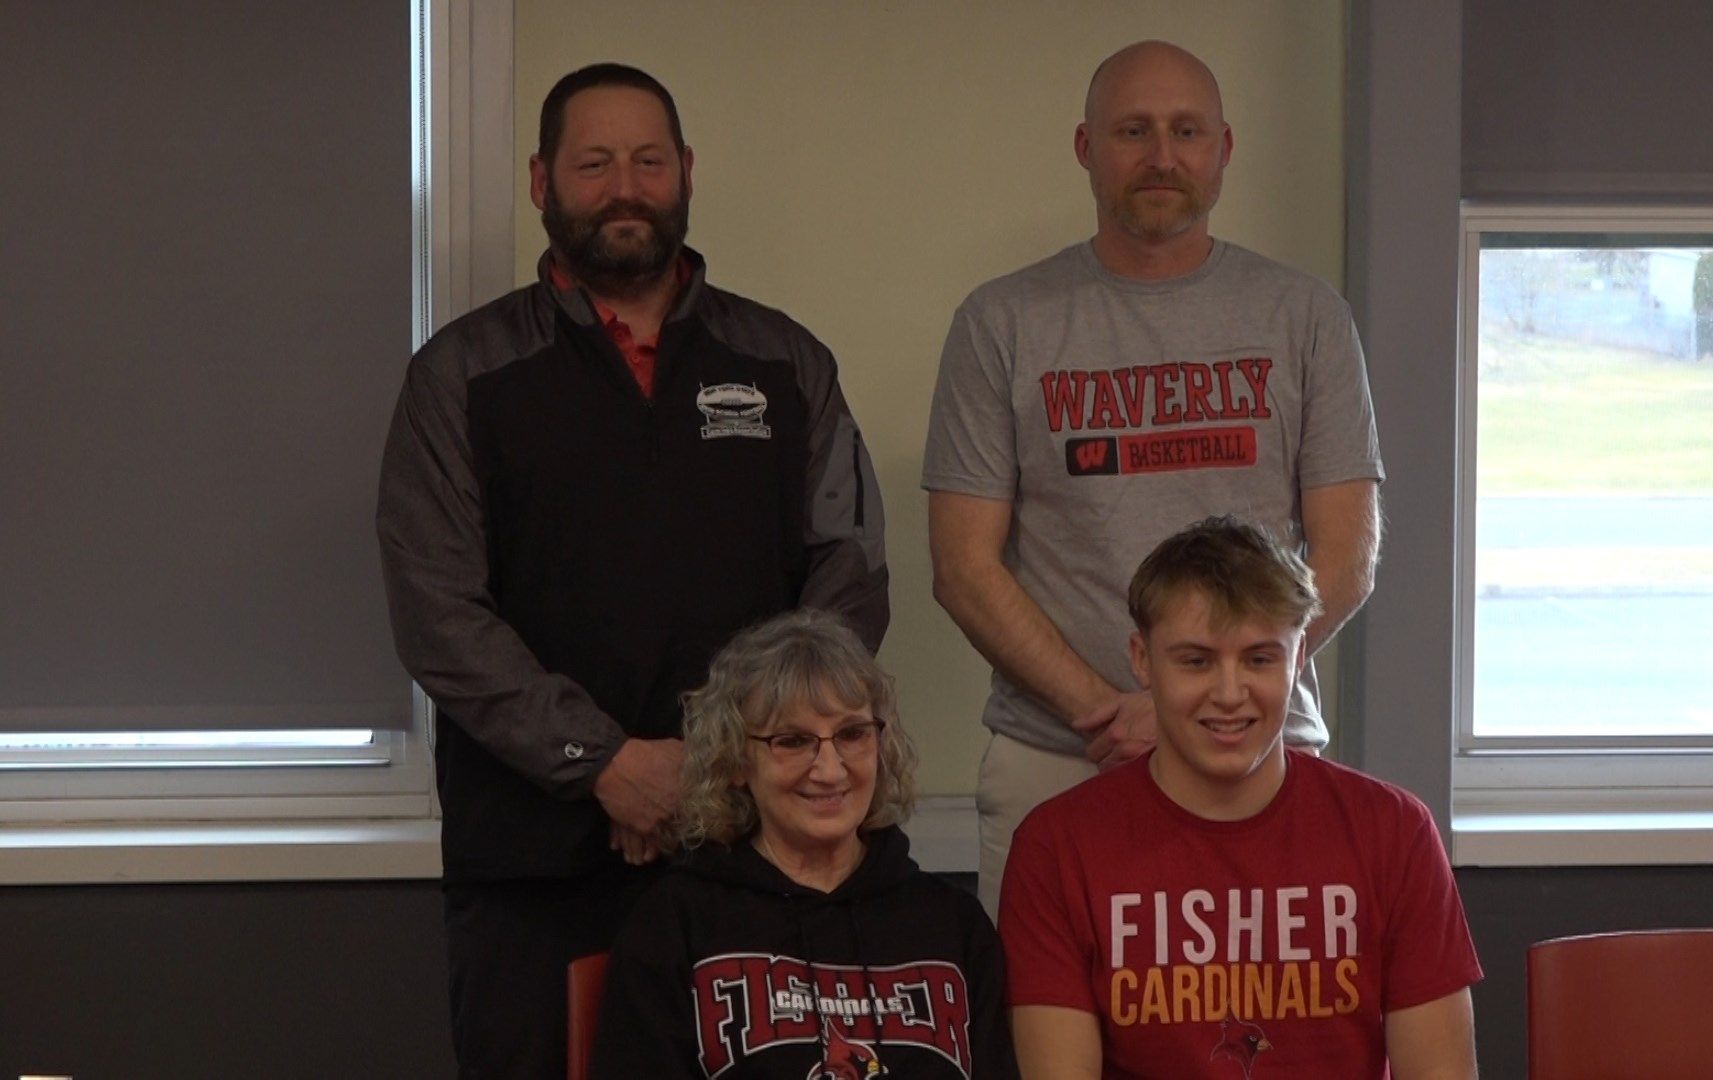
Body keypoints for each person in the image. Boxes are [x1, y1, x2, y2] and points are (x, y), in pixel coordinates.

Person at [376, 63, 887, 1079]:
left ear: (686, 171)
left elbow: (849, 577)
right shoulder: (462, 377)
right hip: (533, 871)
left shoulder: (784, 364)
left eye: (649, 162)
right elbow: (439, 612)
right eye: (594, 163)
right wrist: (602, 761)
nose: (625, 187)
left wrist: (717, 762)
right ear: (541, 181)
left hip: (752, 850)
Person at [922, 40, 1383, 920]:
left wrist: (1198, 703)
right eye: (1133, 131)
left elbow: (1346, 556)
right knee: (1047, 1006)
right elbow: (964, 568)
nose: (1162, 155)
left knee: (1268, 1004)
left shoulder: (1306, 317)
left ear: (1224, 149)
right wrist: (1113, 714)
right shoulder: (1001, 322)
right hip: (1060, 755)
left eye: (1187, 131)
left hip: (1262, 753)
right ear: (1086, 147)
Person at [998, 517, 1480, 1078]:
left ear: (1298, 658)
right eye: (1196, 661)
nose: (1229, 694)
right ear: (1142, 659)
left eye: (1259, 659)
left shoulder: (1394, 832)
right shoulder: (1056, 848)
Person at [589, 610, 1017, 1079]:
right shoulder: (675, 924)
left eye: (852, 734)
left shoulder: (954, 926)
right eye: (792, 741)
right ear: (736, 761)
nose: (830, 770)